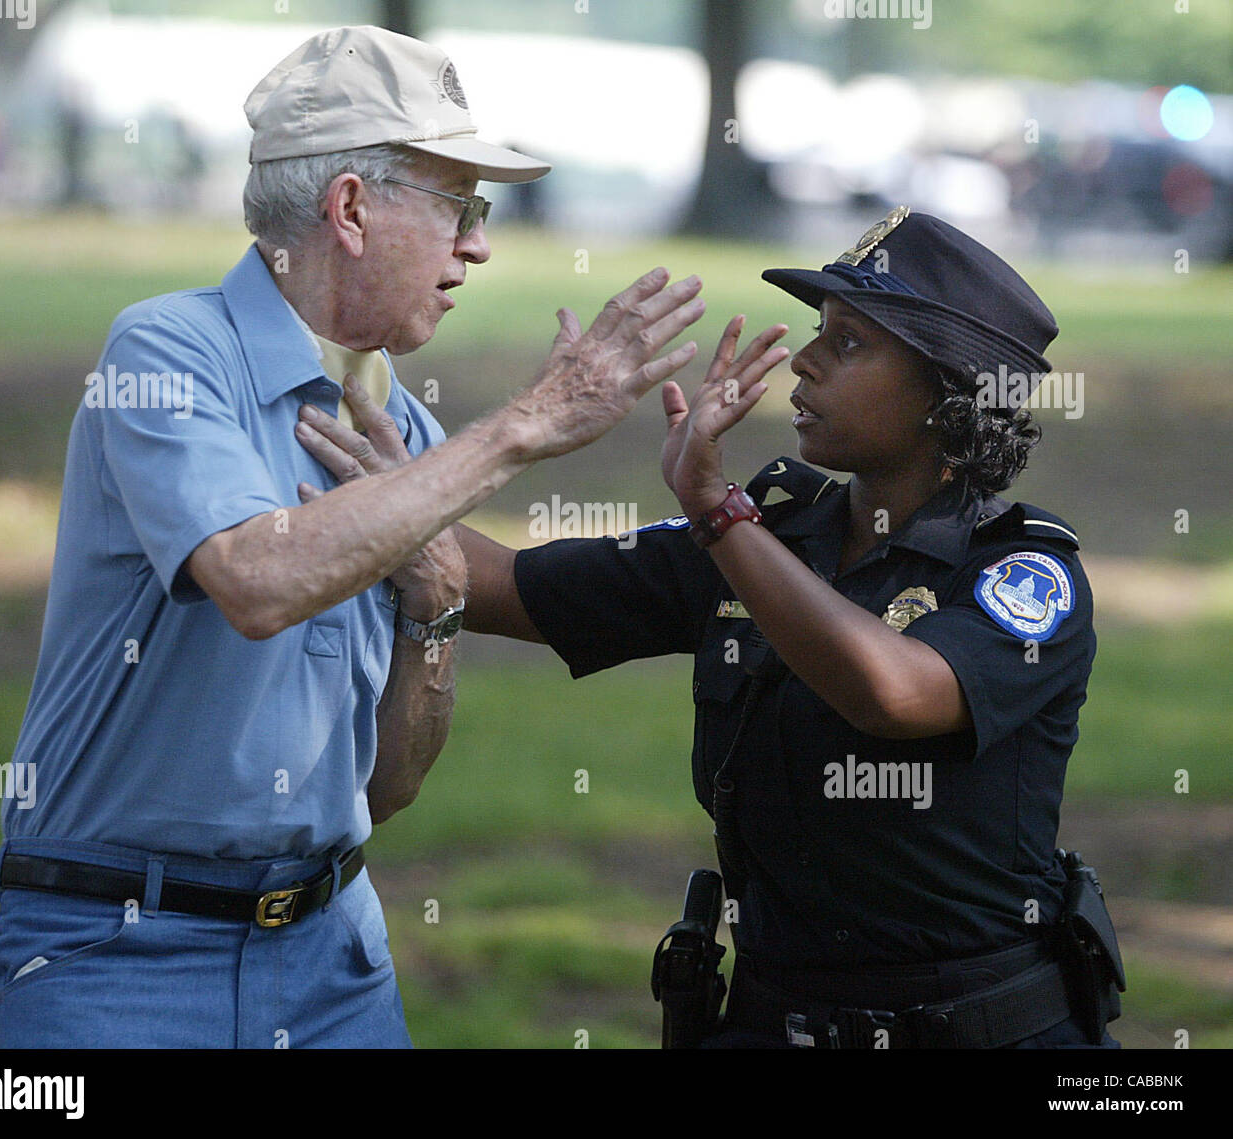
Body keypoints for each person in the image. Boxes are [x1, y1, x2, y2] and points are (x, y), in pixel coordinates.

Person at [0, 25, 706, 1049]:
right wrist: (526, 425)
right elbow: (257, 578)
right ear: (351, 209)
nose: (479, 244)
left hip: (332, 960)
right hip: (117, 955)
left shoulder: (405, 432)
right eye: (460, 204)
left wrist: (439, 609)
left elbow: (389, 787)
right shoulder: (168, 350)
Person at [297, 206, 1124, 1048]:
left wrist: (718, 513)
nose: (803, 358)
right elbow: (507, 585)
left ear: (947, 396)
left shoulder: (1021, 574)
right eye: (818, 330)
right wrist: (370, 491)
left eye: (848, 344)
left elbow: (895, 692)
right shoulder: (770, 532)